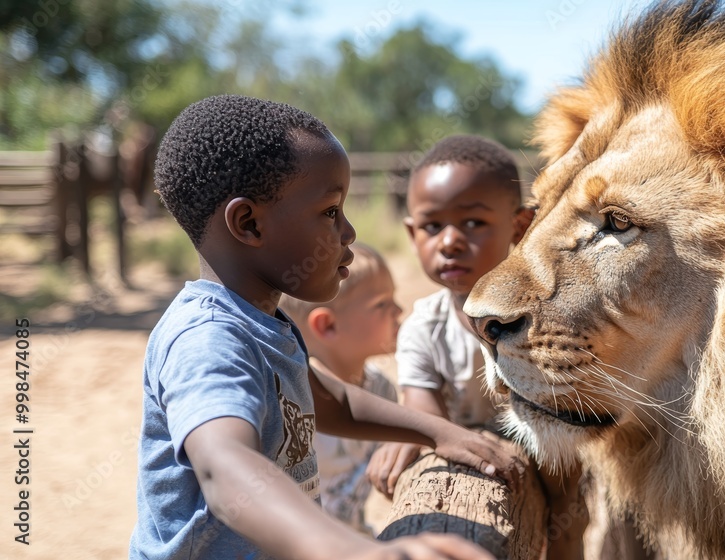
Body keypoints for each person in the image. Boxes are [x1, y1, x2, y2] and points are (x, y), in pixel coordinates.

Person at [129, 95, 520, 560]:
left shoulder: (267, 324)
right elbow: (225, 468)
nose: (350, 232)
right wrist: (353, 552)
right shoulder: (209, 338)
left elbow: (335, 404)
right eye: (331, 211)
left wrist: (440, 432)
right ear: (249, 223)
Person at [366, 134, 588, 559]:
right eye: (432, 227)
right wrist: (411, 431)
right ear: (412, 235)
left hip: (545, 444)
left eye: (473, 223)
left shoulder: (541, 318)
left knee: (567, 512)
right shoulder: (423, 328)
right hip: (463, 442)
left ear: (521, 227)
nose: (449, 241)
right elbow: (422, 407)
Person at [279, 243, 402, 534]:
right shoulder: (296, 405)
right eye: (383, 303)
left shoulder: (381, 390)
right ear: (328, 326)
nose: (399, 310)